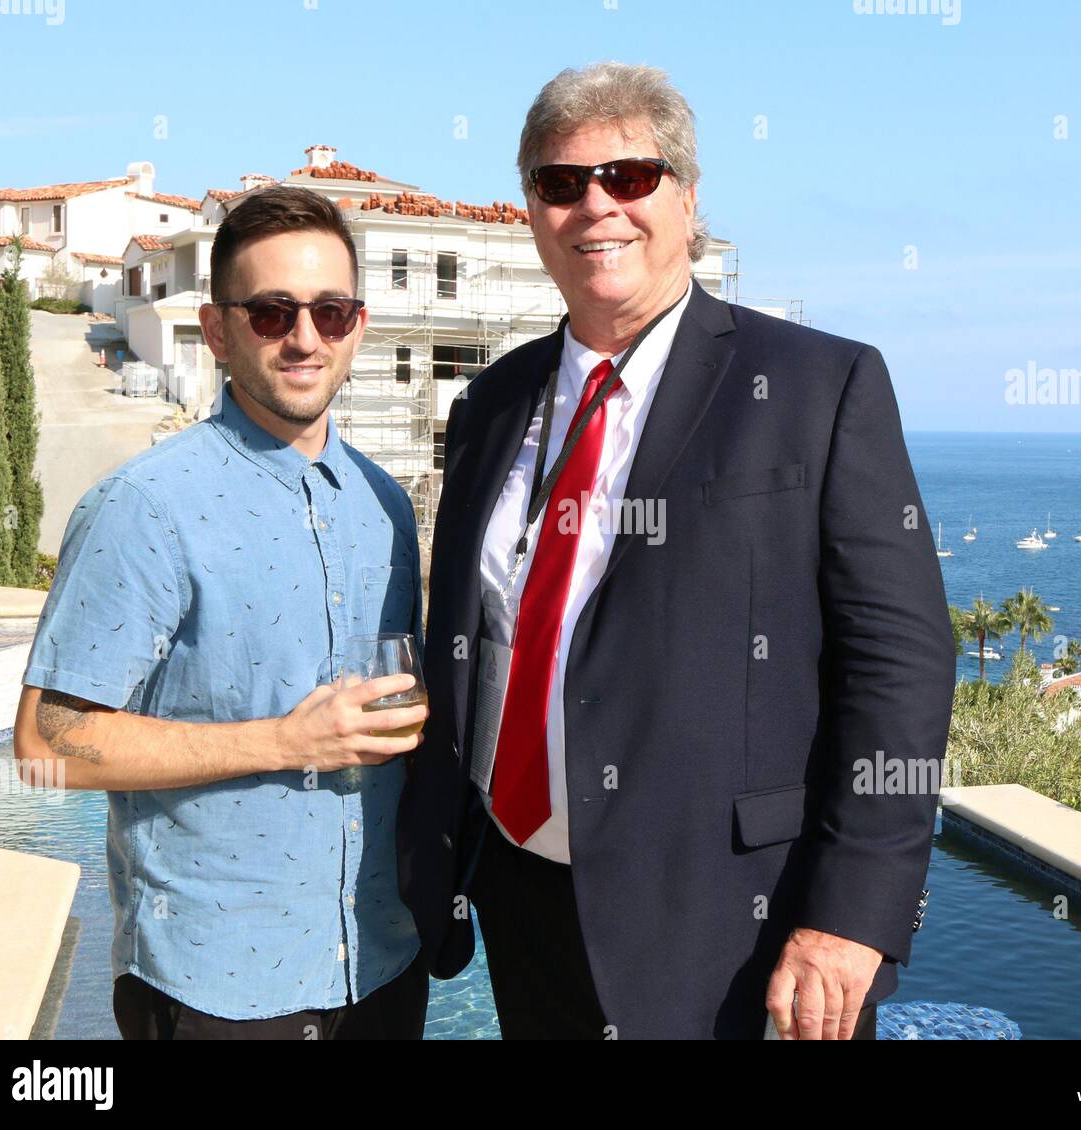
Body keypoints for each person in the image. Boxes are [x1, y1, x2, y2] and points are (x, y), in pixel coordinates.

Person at [400, 61, 955, 1040]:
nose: (595, 206)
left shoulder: (817, 386)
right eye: (560, 183)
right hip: (523, 897)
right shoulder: (489, 405)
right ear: (531, 209)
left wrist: (849, 917)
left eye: (630, 176)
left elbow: (899, 666)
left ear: (687, 198)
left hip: (738, 927)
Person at [14, 185, 431, 1040]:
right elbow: (42, 745)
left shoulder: (384, 505)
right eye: (273, 311)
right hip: (217, 991)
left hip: (383, 967)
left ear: (359, 323)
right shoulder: (146, 507)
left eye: (332, 310)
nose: (306, 337)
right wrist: (284, 741)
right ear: (217, 330)